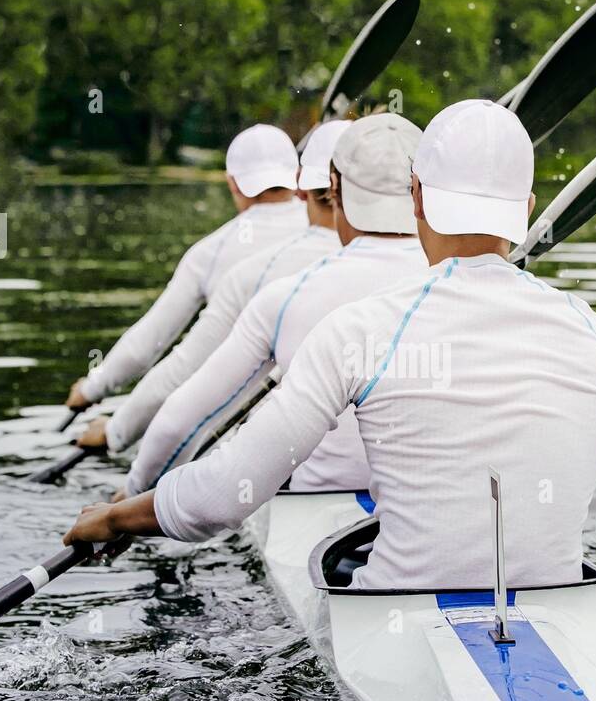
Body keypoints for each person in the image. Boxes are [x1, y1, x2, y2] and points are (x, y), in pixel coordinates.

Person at [64, 99, 596, 591]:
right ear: (528, 208)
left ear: (418, 197)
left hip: (389, 610)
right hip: (562, 603)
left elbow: (219, 500)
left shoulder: (356, 330)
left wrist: (119, 517)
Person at [119, 112, 429, 497]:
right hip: (430, 509)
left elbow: (174, 423)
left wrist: (132, 499)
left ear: (332, 189)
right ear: (420, 191)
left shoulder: (285, 295)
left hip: (314, 506)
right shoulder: (464, 279)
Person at [75, 121, 350, 454]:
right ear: (297, 179)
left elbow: (154, 348)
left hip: (253, 438)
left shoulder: (212, 253)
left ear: (232, 183)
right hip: (335, 428)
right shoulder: (342, 229)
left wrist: (98, 399)